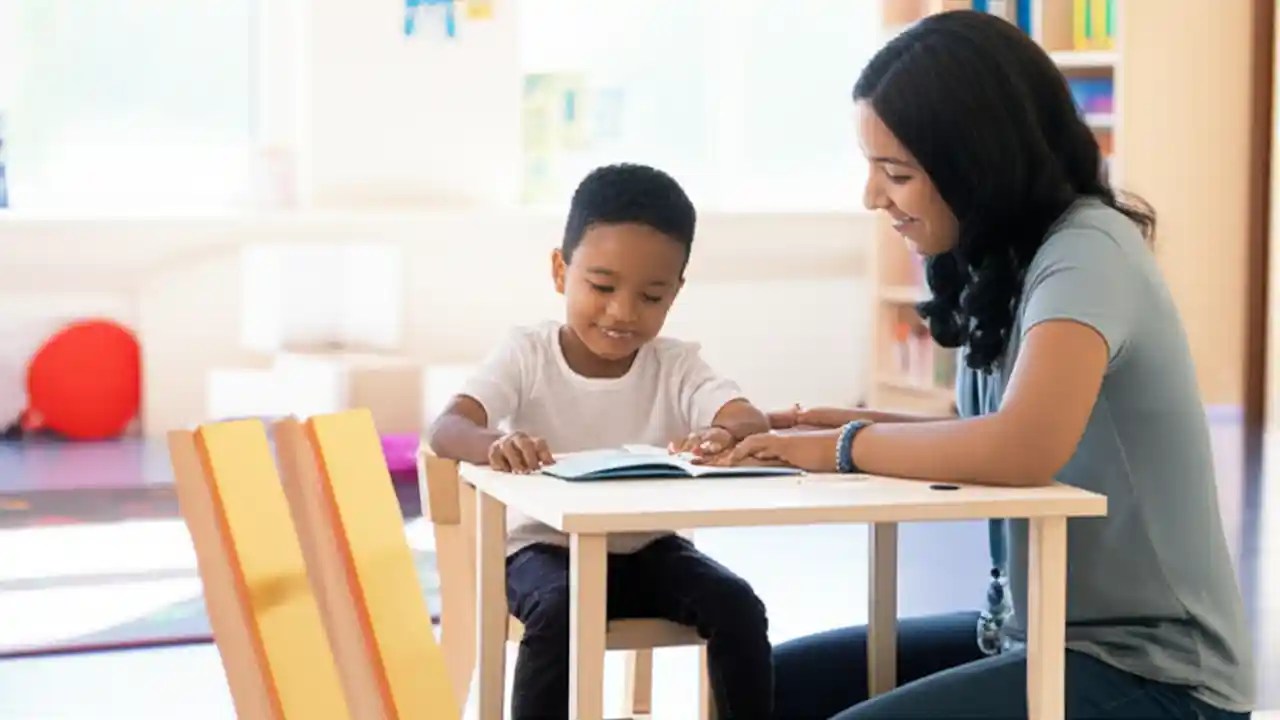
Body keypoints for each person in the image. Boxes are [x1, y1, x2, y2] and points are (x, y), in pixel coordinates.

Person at [730, 11, 1254, 720]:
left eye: (896, 173)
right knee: (761, 683)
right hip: (1028, 637)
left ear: (976, 164)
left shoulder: (1088, 252)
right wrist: (820, 427)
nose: (872, 197)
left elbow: (1021, 446)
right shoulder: (1007, 257)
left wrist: (839, 448)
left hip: (1159, 675)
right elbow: (978, 430)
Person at [428, 163, 774, 719]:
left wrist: (722, 430)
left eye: (651, 296)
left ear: (675, 294)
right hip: (542, 554)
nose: (622, 312)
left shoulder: (675, 364)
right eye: (602, 286)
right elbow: (446, 429)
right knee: (561, 609)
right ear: (561, 271)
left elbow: (749, 419)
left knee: (736, 605)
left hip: (646, 552)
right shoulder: (527, 353)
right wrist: (496, 442)